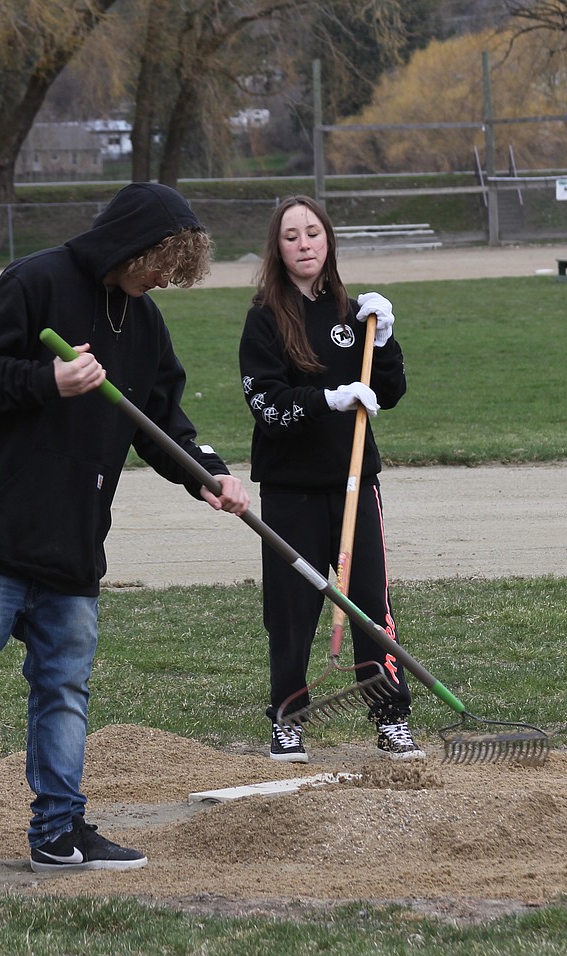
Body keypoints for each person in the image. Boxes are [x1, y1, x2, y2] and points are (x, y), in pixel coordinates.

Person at [0, 182, 250, 882]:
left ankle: (58, 832)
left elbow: (164, 422)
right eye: (156, 264)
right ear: (129, 244)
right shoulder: (35, 281)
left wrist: (210, 473)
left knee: (64, 691)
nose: (158, 281)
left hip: (73, 543)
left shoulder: (143, 325)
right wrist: (47, 380)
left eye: (172, 273)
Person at [238, 194, 423, 764]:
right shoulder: (264, 318)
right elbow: (267, 406)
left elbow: (389, 393)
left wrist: (385, 341)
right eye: (292, 236)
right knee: (291, 609)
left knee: (371, 602)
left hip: (355, 483)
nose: (304, 245)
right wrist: (328, 399)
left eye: (313, 233)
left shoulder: (353, 313)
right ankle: (288, 720)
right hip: (291, 489)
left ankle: (390, 716)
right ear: (278, 247)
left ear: (329, 240)